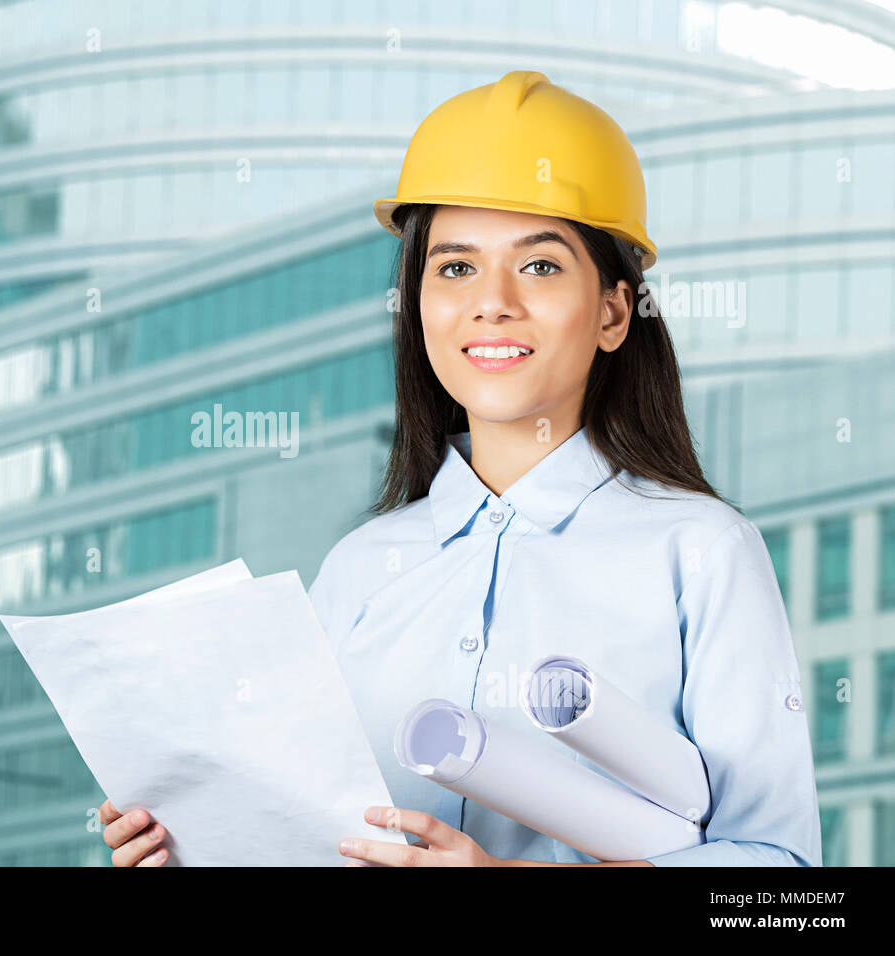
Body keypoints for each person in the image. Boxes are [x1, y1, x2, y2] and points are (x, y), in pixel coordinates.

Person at [101, 70, 822, 867]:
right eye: (455, 268)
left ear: (615, 312)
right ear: (416, 302)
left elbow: (781, 886)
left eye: (540, 266)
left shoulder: (701, 552)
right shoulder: (358, 573)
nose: (492, 303)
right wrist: (190, 851)